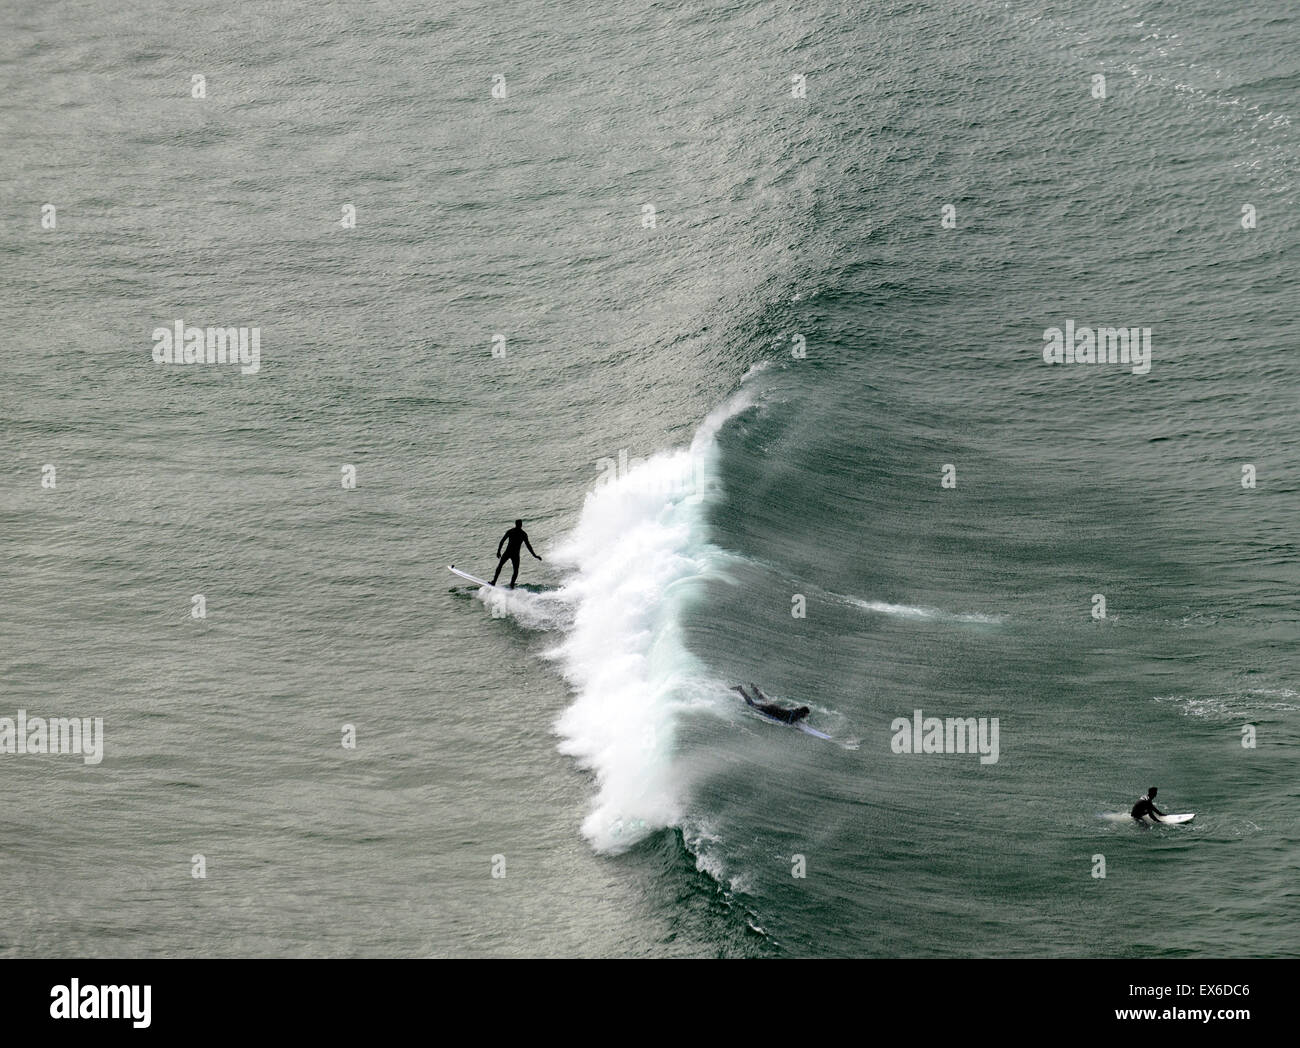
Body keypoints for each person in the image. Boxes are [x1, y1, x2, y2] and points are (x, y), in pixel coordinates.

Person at [491, 519, 541, 588]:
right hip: (514, 554)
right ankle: (511, 585)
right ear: (521, 525)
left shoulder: (511, 531)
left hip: (508, 552)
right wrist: (534, 555)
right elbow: (528, 546)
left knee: (501, 566)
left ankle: (495, 582)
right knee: (514, 570)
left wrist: (498, 551)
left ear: (516, 524)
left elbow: (502, 541)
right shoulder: (523, 534)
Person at [732, 684, 810, 724]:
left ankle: (754, 687)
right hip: (771, 710)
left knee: (764, 699)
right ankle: (740, 689)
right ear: (803, 713)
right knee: (752, 704)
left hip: (775, 707)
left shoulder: (796, 712)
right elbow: (789, 722)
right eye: (806, 714)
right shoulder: (795, 716)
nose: (806, 716)